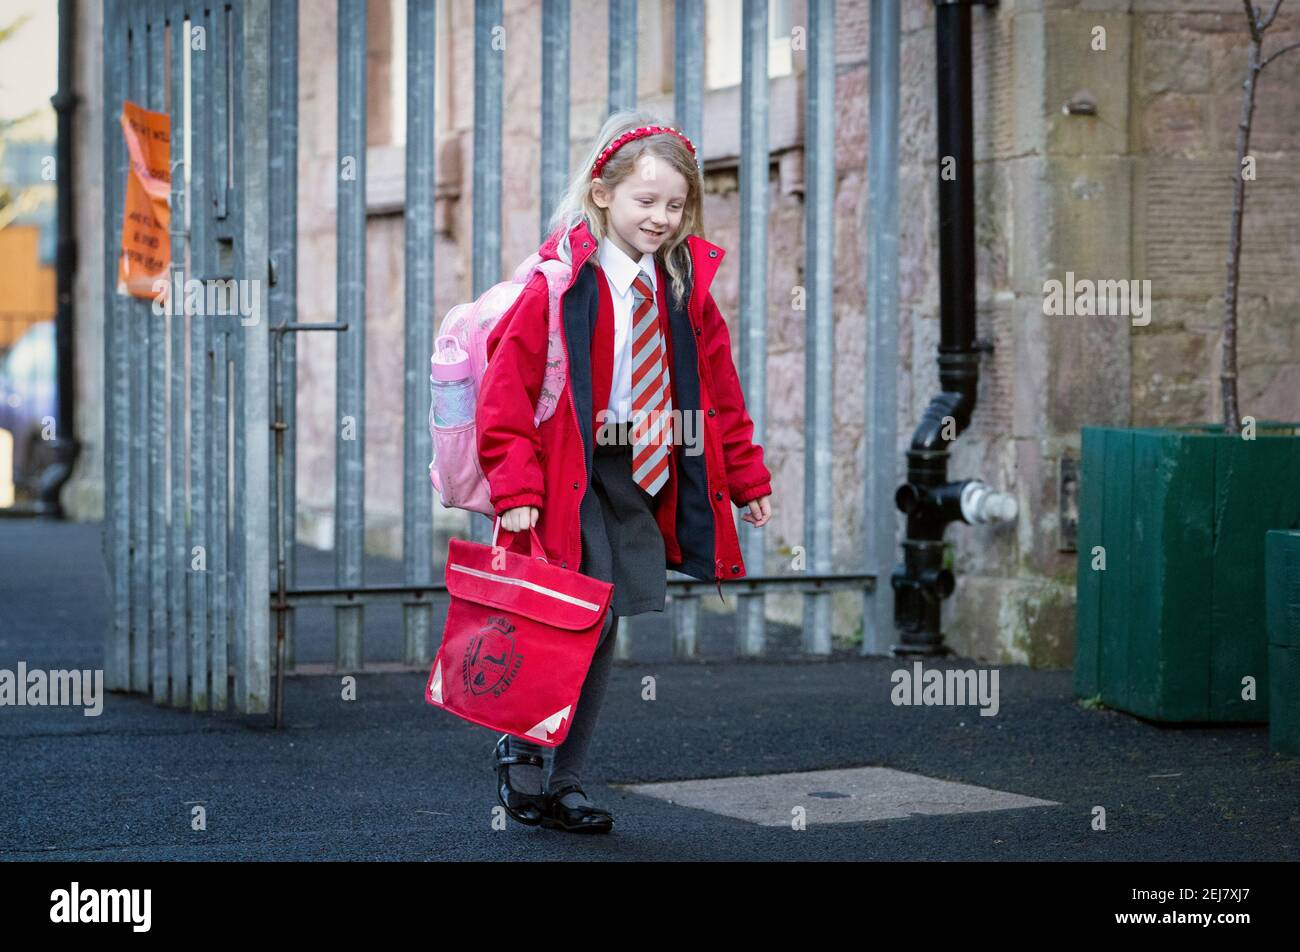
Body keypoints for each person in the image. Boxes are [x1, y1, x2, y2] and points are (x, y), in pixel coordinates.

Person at [476, 109, 774, 834]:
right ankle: (522, 753)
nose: (662, 218)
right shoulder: (558, 285)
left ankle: (565, 780)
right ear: (603, 194)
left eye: (675, 205)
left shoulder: (682, 290)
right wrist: (514, 488)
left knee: (604, 622)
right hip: (561, 471)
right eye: (647, 201)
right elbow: (504, 391)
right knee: (568, 610)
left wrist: (748, 479)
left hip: (632, 474)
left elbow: (719, 393)